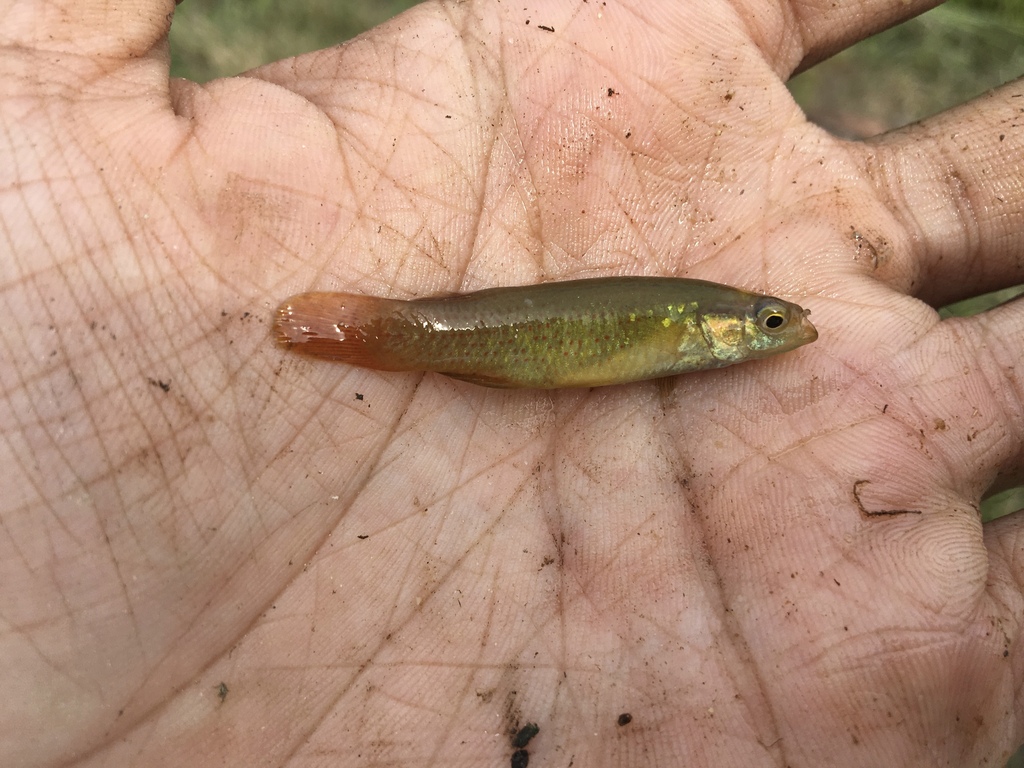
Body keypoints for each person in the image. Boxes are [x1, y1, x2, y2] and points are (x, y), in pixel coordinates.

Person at [2, 0, 1022, 765]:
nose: (778, 333)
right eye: (761, 323)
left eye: (770, 323)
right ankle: (384, 331)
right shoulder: (684, 326)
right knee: (415, 332)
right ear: (707, 327)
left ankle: (393, 333)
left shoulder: (693, 327)